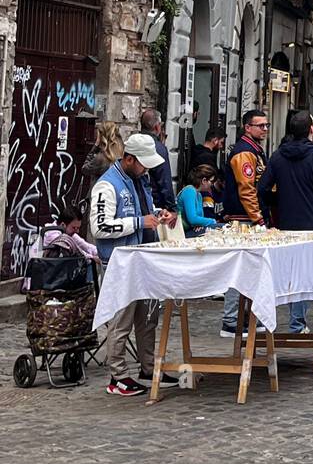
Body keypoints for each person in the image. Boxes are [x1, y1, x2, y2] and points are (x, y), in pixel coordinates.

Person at [91, 134, 177, 396]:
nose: (147, 168)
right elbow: (100, 227)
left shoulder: (140, 180)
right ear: (129, 159)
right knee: (122, 318)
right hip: (121, 262)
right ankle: (118, 376)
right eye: (144, 163)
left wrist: (158, 214)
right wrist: (140, 222)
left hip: (143, 259)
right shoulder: (107, 185)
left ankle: (148, 367)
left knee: (147, 317)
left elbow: (143, 210)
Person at [257, 109, 313, 332]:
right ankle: (297, 321)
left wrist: (276, 203)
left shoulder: (278, 156)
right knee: (307, 272)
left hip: (286, 220)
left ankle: (269, 318)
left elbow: (262, 188)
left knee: (284, 270)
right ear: (312, 130)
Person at [220, 109, 270, 336]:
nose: (265, 129)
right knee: (238, 270)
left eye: (266, 125)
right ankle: (231, 320)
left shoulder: (255, 151)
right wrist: (258, 218)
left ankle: (246, 314)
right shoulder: (244, 153)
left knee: (251, 270)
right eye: (260, 125)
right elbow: (246, 189)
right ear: (247, 128)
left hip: (247, 219)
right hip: (243, 221)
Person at [22, 202, 98, 290]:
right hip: (46, 276)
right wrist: (92, 258)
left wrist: (100, 253)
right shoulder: (52, 234)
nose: (77, 231)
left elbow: (85, 245)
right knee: (88, 262)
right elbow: (79, 253)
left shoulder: (68, 232)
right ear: (63, 225)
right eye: (74, 228)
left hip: (56, 272)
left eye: (78, 228)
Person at [139, 108, 176, 217]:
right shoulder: (158, 148)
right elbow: (164, 180)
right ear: (157, 126)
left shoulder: (134, 142)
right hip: (154, 201)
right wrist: (171, 207)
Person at [177, 167, 219, 237]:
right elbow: (193, 219)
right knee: (220, 228)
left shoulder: (199, 194)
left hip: (190, 230)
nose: (212, 185)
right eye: (211, 181)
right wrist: (212, 221)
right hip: (183, 232)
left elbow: (198, 219)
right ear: (204, 180)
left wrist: (199, 224)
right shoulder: (189, 191)